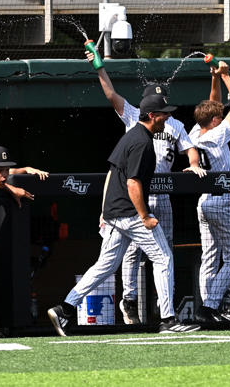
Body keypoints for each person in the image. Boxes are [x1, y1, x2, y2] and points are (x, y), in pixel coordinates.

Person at [47, 94, 201, 335]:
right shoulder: (142, 142)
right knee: (163, 259)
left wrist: (105, 211)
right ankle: (168, 320)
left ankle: (65, 308)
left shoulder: (131, 136)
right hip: (129, 212)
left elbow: (113, 173)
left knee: (106, 265)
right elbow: (132, 183)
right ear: (151, 116)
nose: (167, 117)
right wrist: (145, 216)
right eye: (163, 114)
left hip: (115, 211)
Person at [85, 49, 205, 325]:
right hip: (134, 192)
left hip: (161, 193)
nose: (165, 106)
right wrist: (99, 69)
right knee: (130, 253)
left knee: (164, 253)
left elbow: (191, 150)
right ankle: (129, 301)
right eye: (160, 102)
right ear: (151, 107)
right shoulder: (134, 116)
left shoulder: (174, 123)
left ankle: (165, 309)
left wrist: (195, 163)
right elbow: (111, 96)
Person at [189, 61, 230, 323]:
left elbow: (215, 106)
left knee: (209, 258)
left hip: (203, 203)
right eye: (218, 118)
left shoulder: (194, 132)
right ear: (213, 121)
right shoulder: (217, 134)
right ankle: (209, 306)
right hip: (221, 201)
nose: (221, 119)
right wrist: (225, 75)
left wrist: (213, 80)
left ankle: (206, 308)